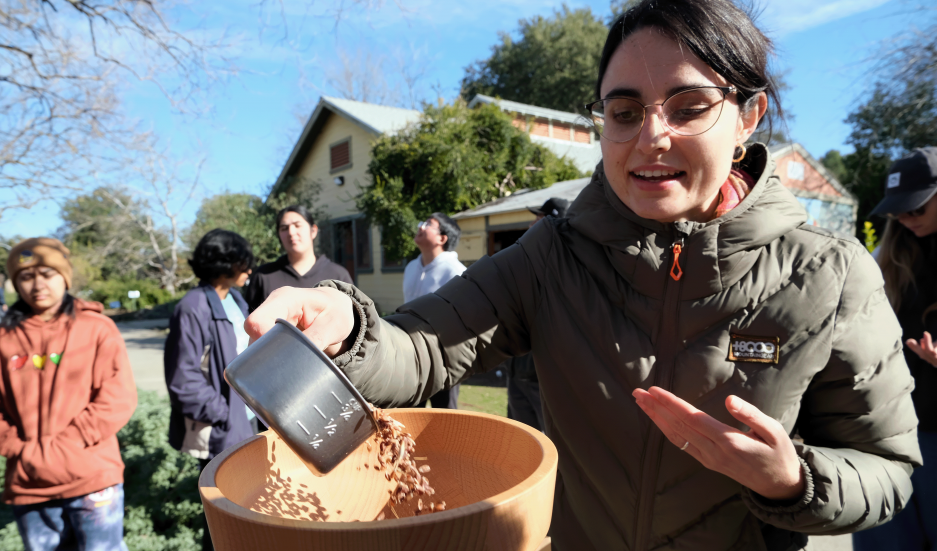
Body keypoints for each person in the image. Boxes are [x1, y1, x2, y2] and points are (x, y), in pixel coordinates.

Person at [244, 1, 921, 549]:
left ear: (748, 116)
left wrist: (790, 479)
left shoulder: (831, 276)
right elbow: (422, 346)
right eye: (624, 113)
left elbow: (888, 470)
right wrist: (346, 323)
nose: (650, 136)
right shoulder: (553, 254)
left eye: (688, 107)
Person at [0, 237, 137, 551]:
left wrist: (68, 442)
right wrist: (20, 450)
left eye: (47, 274)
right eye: (26, 276)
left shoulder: (97, 329)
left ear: (65, 277)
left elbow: (117, 397)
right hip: (29, 483)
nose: (38, 284)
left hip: (93, 478)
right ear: (15, 283)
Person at [852, 147, 937, 551]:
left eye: (916, 209)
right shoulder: (886, 257)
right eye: (898, 211)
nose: (904, 219)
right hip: (886, 428)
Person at [164, 229, 255, 551]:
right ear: (224, 262)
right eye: (244, 260)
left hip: (249, 424)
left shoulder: (235, 299)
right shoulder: (192, 306)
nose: (250, 268)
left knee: (248, 513)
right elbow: (183, 380)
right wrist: (224, 414)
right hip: (223, 430)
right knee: (221, 522)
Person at [503, 198, 570, 431]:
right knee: (520, 444)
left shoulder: (569, 272)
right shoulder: (528, 264)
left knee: (552, 448)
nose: (531, 226)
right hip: (517, 372)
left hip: (544, 381)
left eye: (538, 220)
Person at [402, 213, 468, 409]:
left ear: (442, 238)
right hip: (411, 356)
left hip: (444, 361)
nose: (420, 227)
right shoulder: (411, 267)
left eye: (428, 225)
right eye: (421, 223)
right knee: (411, 414)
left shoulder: (456, 271)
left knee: (445, 421)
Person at [244, 205, 352, 312]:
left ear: (313, 231)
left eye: (297, 225)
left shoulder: (338, 275)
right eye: (284, 228)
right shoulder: (264, 276)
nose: (291, 232)